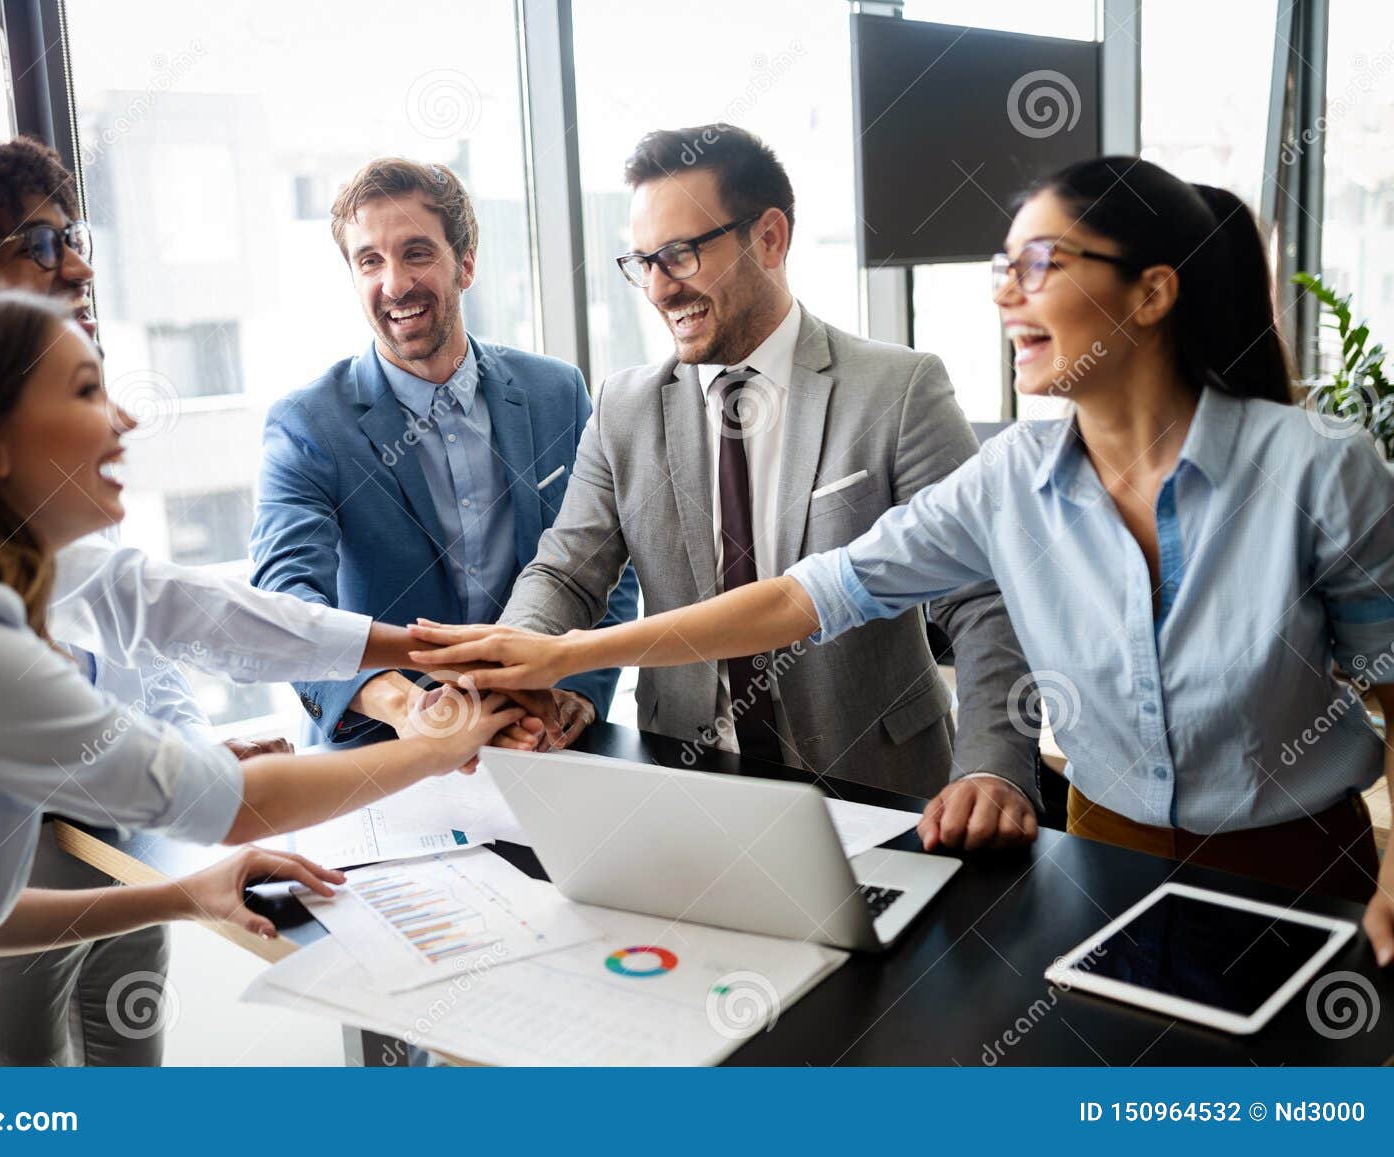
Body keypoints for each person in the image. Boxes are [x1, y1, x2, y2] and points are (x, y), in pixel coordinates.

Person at [407, 157, 1394, 956]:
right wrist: (558, 654)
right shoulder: (1012, 476)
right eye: (1002, 267)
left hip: (1298, 859)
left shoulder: (1320, 474)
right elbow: (804, 596)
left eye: (1040, 264)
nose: (1007, 293)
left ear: (1150, 293)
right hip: (1100, 855)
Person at [0, 131, 512, 1066]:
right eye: (41, 244)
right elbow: (210, 761)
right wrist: (435, 738)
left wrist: (402, 648)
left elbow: (146, 616)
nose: (77, 262)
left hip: (46, 856)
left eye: (71, 233)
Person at [487, 125, 1038, 841]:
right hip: (688, 789)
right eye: (642, 261)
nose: (658, 287)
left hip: (881, 796)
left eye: (680, 254)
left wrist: (991, 766)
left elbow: (984, 598)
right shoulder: (622, 406)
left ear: (770, 238)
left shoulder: (898, 389)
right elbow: (567, 571)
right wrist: (516, 660)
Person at [249, 157, 638, 753]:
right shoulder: (309, 426)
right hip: (383, 749)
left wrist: (577, 692)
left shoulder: (557, 392)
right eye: (370, 261)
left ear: (466, 263)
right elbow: (286, 602)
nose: (396, 284)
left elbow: (610, 558)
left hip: (544, 739)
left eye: (417, 253)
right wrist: (407, 705)